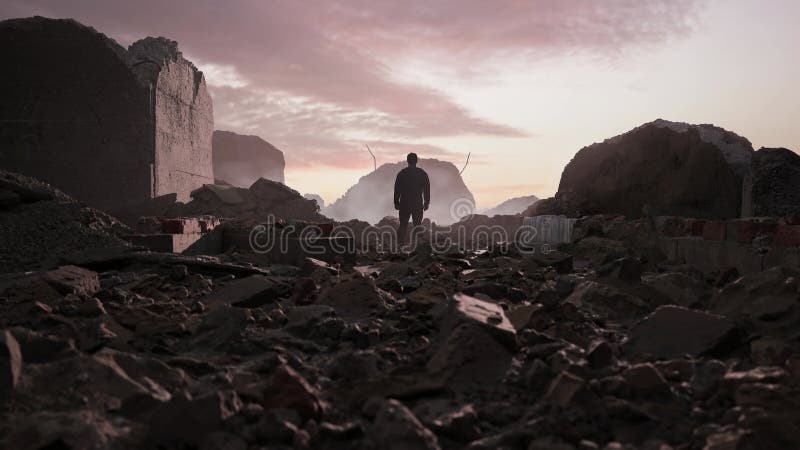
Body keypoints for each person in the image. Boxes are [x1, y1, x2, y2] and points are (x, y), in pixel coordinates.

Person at [394, 153, 430, 246]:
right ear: (416, 161)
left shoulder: (402, 173)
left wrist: (396, 202)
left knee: (403, 225)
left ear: (407, 161)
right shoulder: (422, 173)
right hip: (417, 203)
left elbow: (397, 189)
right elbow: (426, 189)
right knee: (417, 225)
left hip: (404, 203)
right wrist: (426, 203)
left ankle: (399, 245)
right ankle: (418, 246)